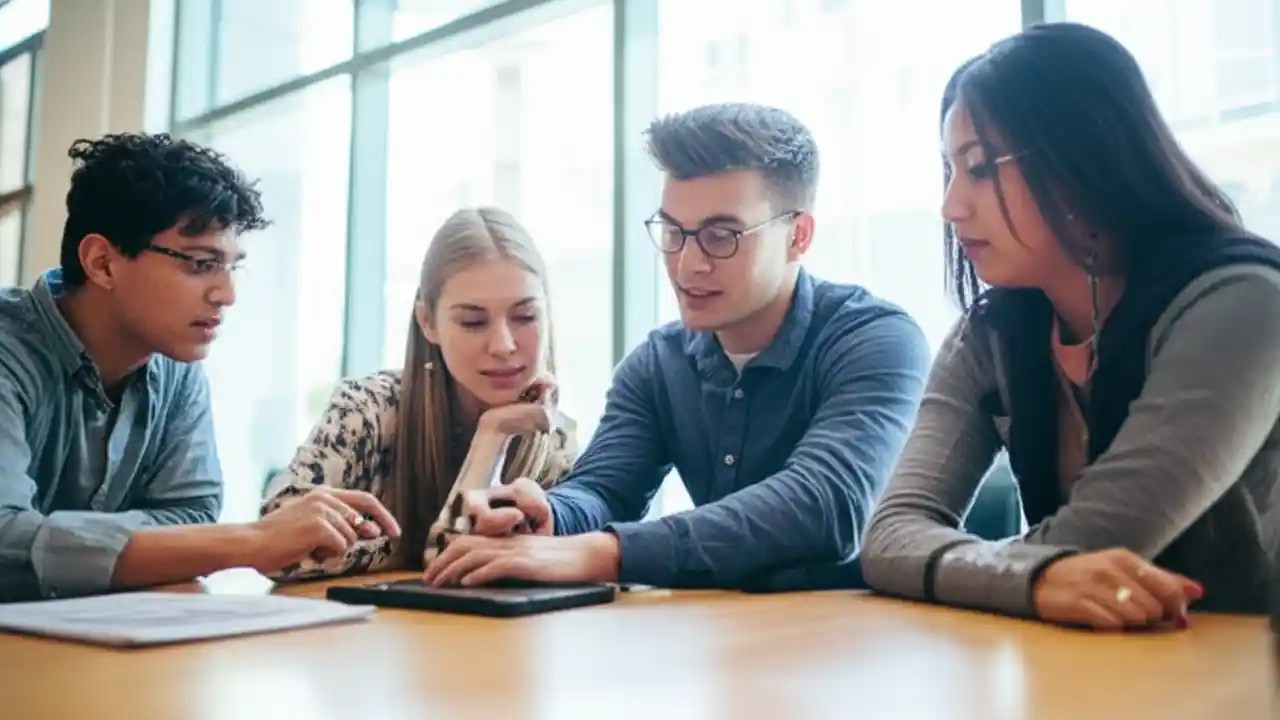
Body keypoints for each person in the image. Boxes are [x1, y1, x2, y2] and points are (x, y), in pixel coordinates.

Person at [859, 23, 1280, 630]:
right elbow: (890, 536)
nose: (951, 206)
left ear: (1080, 160)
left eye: (979, 169)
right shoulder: (992, 332)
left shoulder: (1241, 302)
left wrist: (1017, 572)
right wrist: (1036, 576)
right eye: (949, 171)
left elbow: (1105, 534)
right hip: (1097, 661)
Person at [424, 103, 932, 590]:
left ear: (798, 236)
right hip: (723, 639)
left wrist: (603, 553)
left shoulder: (877, 341)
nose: (687, 265)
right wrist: (547, 515)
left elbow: (825, 507)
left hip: (867, 641)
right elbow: (604, 490)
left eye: (721, 236)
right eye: (673, 232)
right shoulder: (657, 364)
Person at [0, 133, 401, 602]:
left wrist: (59, 542)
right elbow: (6, 540)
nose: (226, 295)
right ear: (102, 262)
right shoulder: (12, 351)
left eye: (232, 266)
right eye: (200, 264)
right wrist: (252, 540)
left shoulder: (174, 361)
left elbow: (190, 515)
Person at [259, 207, 577, 580]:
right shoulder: (368, 410)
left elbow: (470, 572)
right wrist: (402, 548)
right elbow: (272, 548)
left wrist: (496, 432)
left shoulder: (554, 438)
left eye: (525, 317)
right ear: (428, 322)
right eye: (473, 322)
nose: (504, 345)